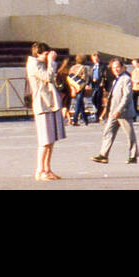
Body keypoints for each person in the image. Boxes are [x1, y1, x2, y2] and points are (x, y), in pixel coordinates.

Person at [27, 43, 65, 181]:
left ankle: (47, 169)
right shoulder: (34, 64)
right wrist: (51, 62)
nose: (48, 56)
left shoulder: (40, 63)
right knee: (44, 141)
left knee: (51, 140)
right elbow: (48, 77)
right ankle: (40, 170)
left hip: (50, 104)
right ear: (38, 54)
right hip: (42, 105)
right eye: (45, 54)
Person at [91, 58, 139, 165]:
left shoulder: (126, 79)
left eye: (117, 67)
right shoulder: (116, 79)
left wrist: (119, 109)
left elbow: (126, 96)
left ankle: (133, 155)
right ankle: (103, 155)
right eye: (113, 68)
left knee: (129, 134)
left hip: (123, 112)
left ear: (122, 67)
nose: (115, 69)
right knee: (108, 132)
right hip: (113, 112)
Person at [68, 56, 90, 126]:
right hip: (80, 87)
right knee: (78, 102)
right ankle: (75, 119)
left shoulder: (72, 67)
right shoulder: (84, 68)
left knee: (80, 103)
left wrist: (72, 87)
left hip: (73, 86)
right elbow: (85, 78)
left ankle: (85, 119)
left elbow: (69, 77)